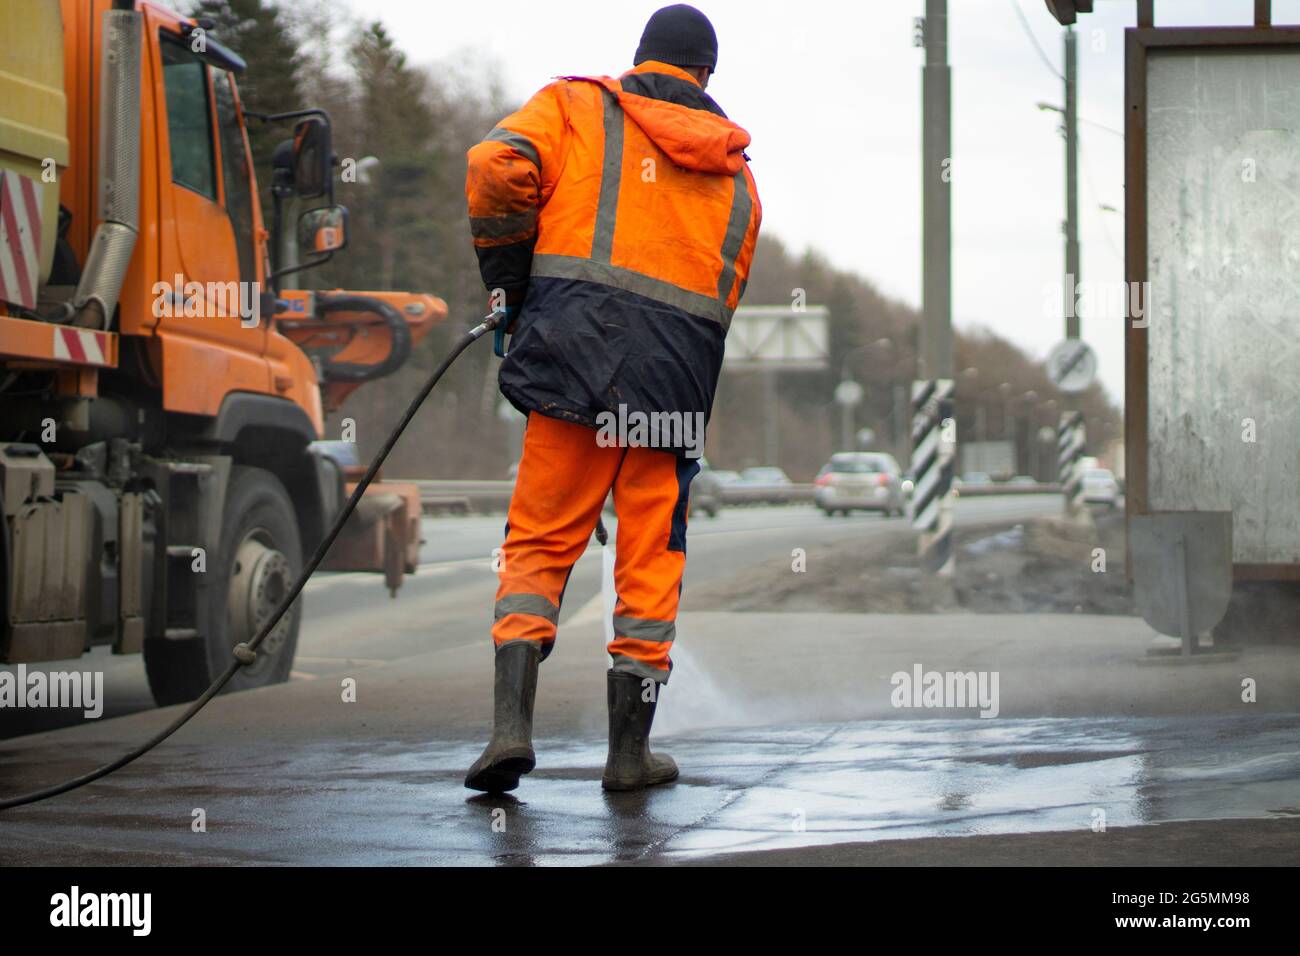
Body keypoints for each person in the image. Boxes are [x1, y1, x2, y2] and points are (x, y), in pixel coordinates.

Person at [463, 3, 761, 793]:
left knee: (537, 545)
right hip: (667, 400)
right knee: (649, 566)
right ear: (705, 78)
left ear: (641, 60)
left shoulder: (576, 107)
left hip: (568, 371)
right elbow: (719, 311)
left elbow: (496, 164)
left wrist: (509, 278)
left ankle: (508, 733)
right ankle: (628, 757)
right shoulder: (740, 183)